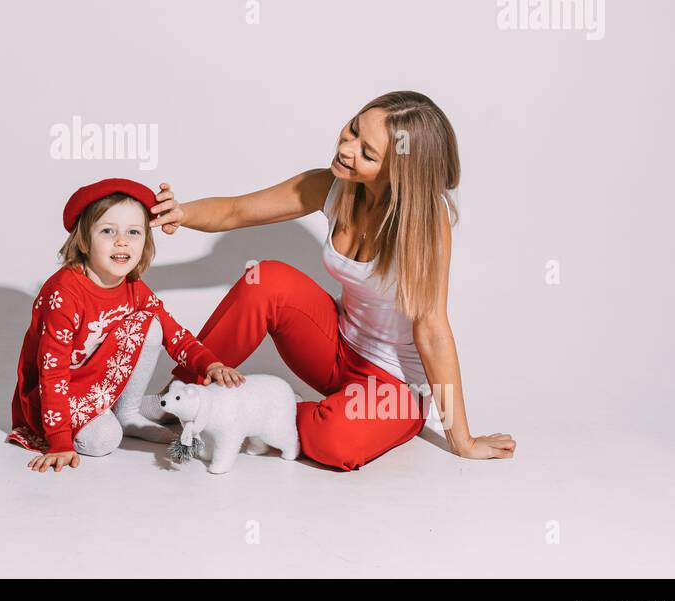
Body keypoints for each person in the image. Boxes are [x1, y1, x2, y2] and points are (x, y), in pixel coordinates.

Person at [148, 90, 516, 471]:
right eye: (353, 129)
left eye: (367, 153)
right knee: (265, 279)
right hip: (337, 349)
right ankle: (174, 401)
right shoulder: (334, 186)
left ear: (399, 172)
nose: (347, 148)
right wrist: (180, 212)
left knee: (334, 445)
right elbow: (236, 210)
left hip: (394, 385)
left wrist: (463, 439)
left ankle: (260, 409)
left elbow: (432, 329)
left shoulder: (423, 223)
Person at [7, 178, 245, 473]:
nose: (122, 241)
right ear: (83, 239)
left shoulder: (134, 287)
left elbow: (175, 335)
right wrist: (60, 441)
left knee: (152, 325)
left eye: (133, 232)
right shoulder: (64, 294)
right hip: (60, 393)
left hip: (97, 382)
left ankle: (128, 412)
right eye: (108, 231)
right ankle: (104, 420)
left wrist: (209, 365)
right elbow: (52, 371)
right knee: (103, 441)